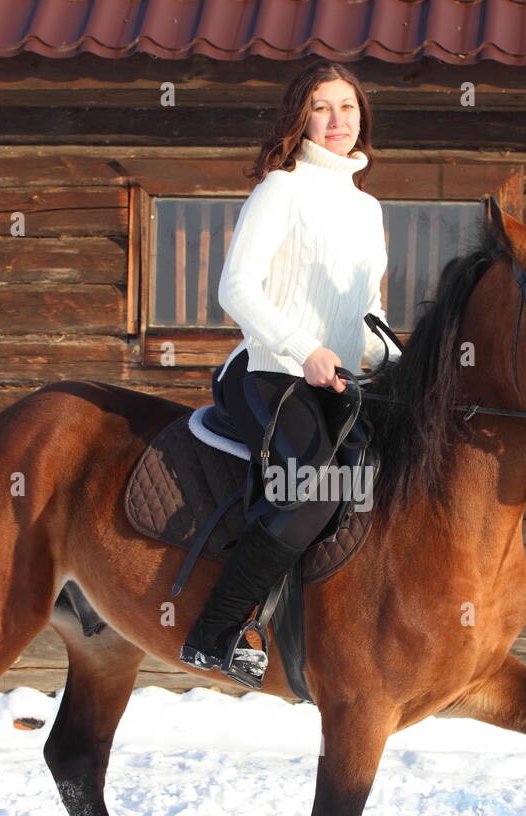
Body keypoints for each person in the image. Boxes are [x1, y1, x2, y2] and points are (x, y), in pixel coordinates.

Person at [179, 60, 394, 688]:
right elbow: (236, 288)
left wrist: (399, 366)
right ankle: (216, 630)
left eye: (348, 107)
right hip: (269, 374)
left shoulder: (368, 207)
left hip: (340, 384)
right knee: (315, 489)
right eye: (322, 107)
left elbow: (367, 312)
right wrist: (305, 349)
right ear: (301, 115)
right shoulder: (282, 187)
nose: (337, 121)